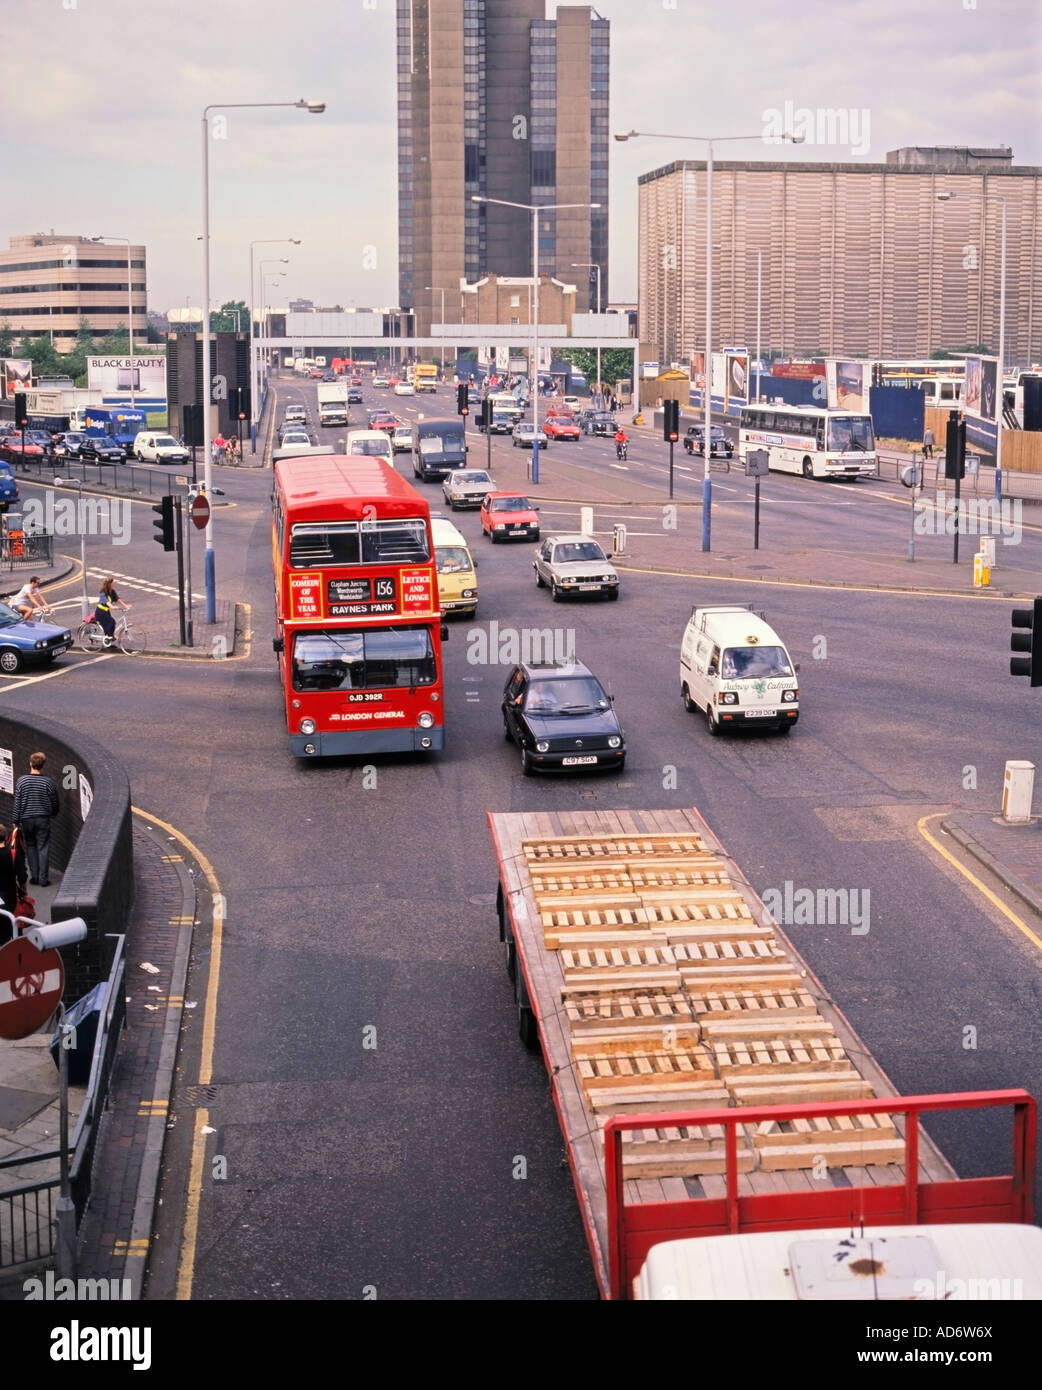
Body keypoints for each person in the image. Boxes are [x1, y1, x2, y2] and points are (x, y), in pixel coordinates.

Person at [12, 752, 59, 887]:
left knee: (30, 845)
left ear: (30, 763)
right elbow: (54, 801)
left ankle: (35, 876)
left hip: (26, 819)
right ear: (42, 765)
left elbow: (17, 802)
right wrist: (53, 813)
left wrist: (15, 819)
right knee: (43, 847)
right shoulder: (48, 782)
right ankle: (44, 879)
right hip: (43, 818)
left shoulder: (22, 781)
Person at [93, 576, 131, 647]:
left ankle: (109, 637)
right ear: (109, 585)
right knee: (110, 622)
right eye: (113, 584)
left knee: (112, 622)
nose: (114, 585)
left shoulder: (112, 591)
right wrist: (112, 607)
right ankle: (109, 637)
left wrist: (125, 606)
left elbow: (117, 599)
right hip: (100, 612)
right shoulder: (103, 593)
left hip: (106, 612)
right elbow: (107, 602)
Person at [0, 822, 28, 915]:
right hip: (10, 896)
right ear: (6, 837)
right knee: (12, 923)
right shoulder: (13, 854)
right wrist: (23, 888)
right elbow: (22, 875)